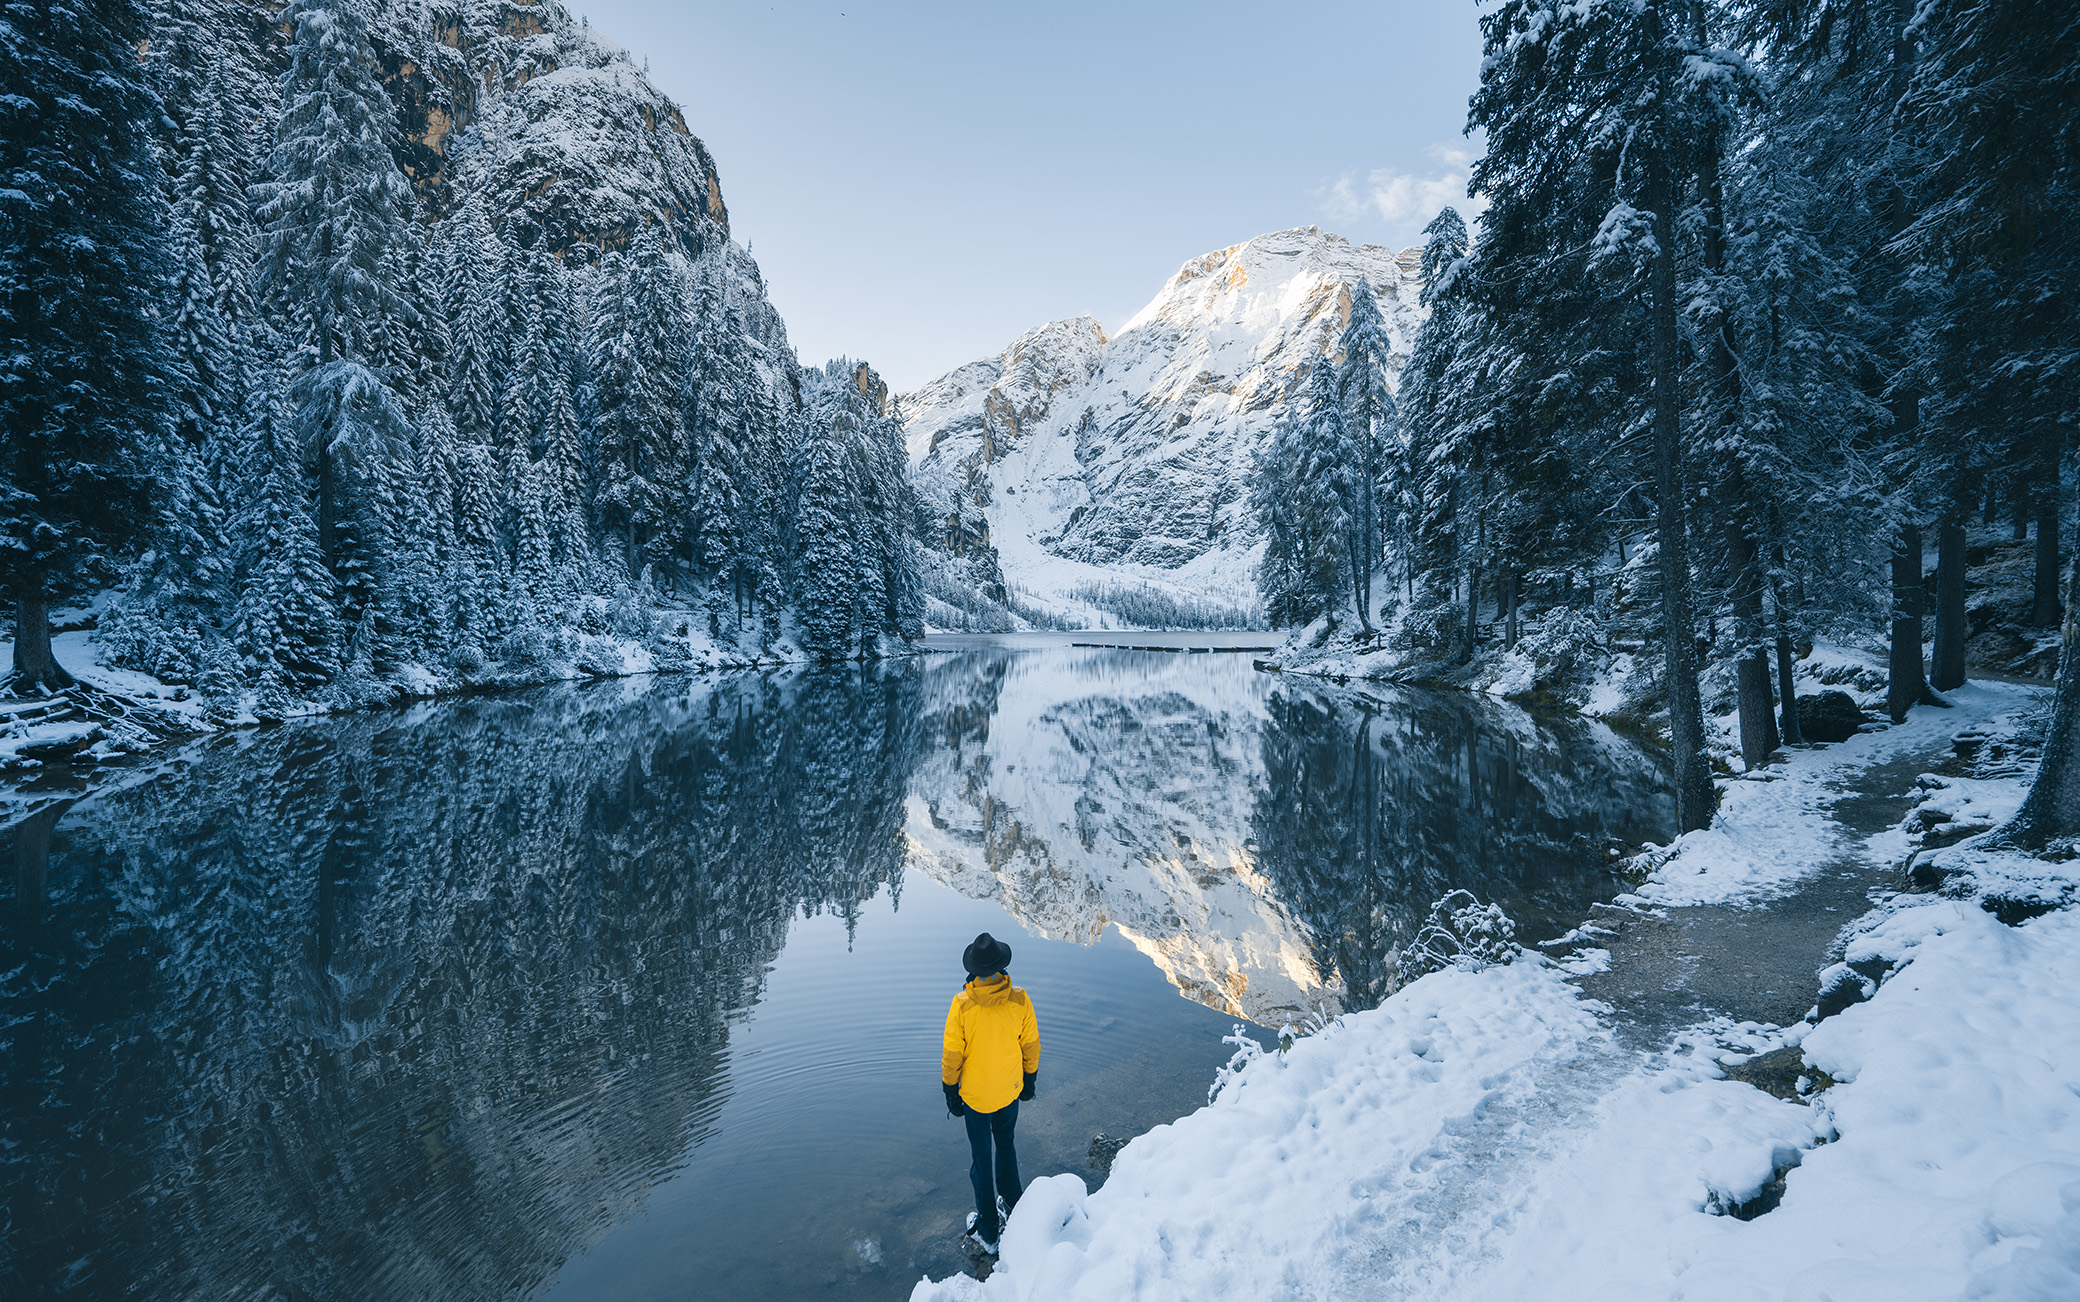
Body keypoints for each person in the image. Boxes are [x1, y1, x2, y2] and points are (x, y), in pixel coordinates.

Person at [941, 931, 1040, 1255]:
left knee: (981, 1160)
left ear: (973, 971)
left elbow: (953, 1055)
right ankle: (1015, 1207)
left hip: (976, 1099)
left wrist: (950, 1092)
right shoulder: (1020, 999)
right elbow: (1030, 1046)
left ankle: (988, 1231)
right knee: (1007, 1147)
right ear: (1001, 967)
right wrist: (1029, 1081)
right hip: (1009, 1092)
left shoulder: (963, 1005)